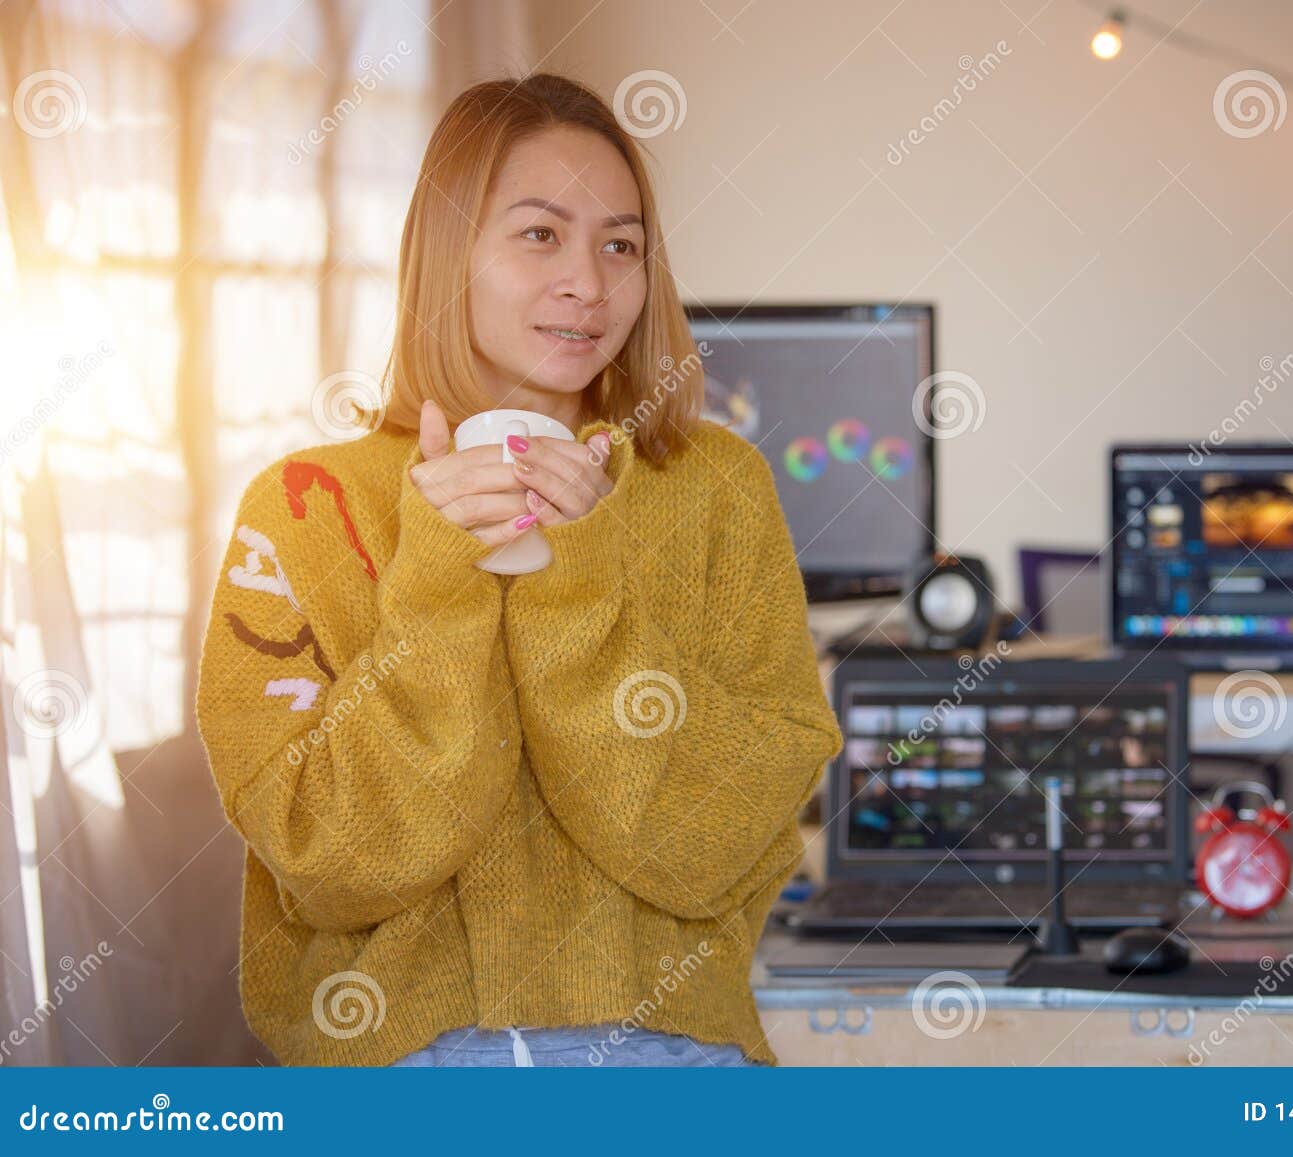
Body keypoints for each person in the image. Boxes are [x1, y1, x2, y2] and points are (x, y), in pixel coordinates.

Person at [195, 72, 842, 1067]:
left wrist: (576, 586)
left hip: (675, 1056)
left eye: (620, 244)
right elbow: (334, 860)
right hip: (402, 1064)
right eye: (540, 234)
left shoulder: (718, 487)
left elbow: (715, 841)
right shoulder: (304, 507)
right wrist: (440, 588)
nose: (589, 281)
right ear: (447, 251)